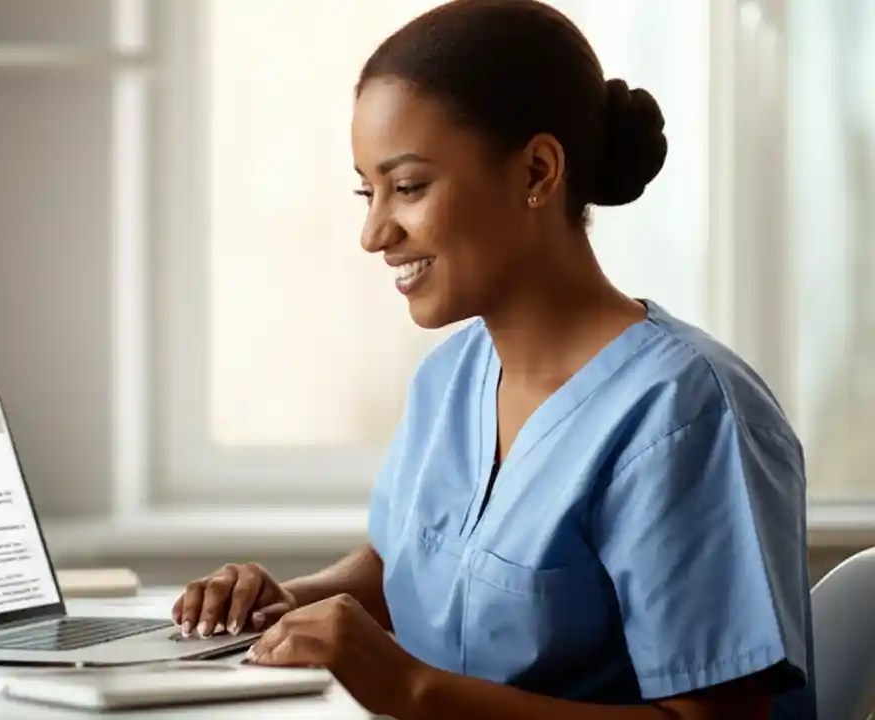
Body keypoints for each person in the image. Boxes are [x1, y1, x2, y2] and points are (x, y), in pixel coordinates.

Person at [171, 1, 816, 718]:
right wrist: (287, 602)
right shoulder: (450, 378)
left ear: (538, 171)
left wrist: (416, 692)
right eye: (367, 191)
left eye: (408, 187)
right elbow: (409, 565)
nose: (374, 231)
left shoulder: (687, 415)